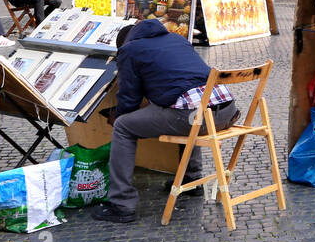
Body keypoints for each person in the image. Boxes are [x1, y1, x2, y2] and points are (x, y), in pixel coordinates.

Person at [96, 19, 239, 223]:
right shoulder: (176, 39)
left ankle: (121, 203)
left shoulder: (129, 50)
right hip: (227, 112)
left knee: (123, 126)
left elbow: (129, 98)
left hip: (198, 117)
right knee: (190, 111)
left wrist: (118, 115)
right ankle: (192, 177)